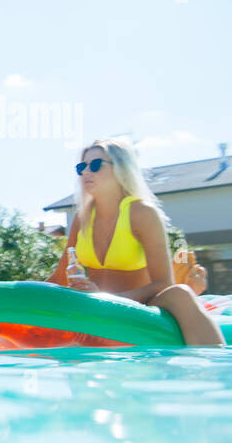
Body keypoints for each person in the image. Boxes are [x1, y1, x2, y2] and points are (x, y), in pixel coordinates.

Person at [48, 138, 224, 346]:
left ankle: (216, 368)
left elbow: (163, 283)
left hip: (140, 307)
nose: (86, 172)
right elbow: (60, 276)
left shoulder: (143, 213)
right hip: (95, 306)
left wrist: (111, 298)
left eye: (95, 165)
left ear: (121, 169)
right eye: (81, 167)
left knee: (180, 293)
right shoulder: (82, 217)